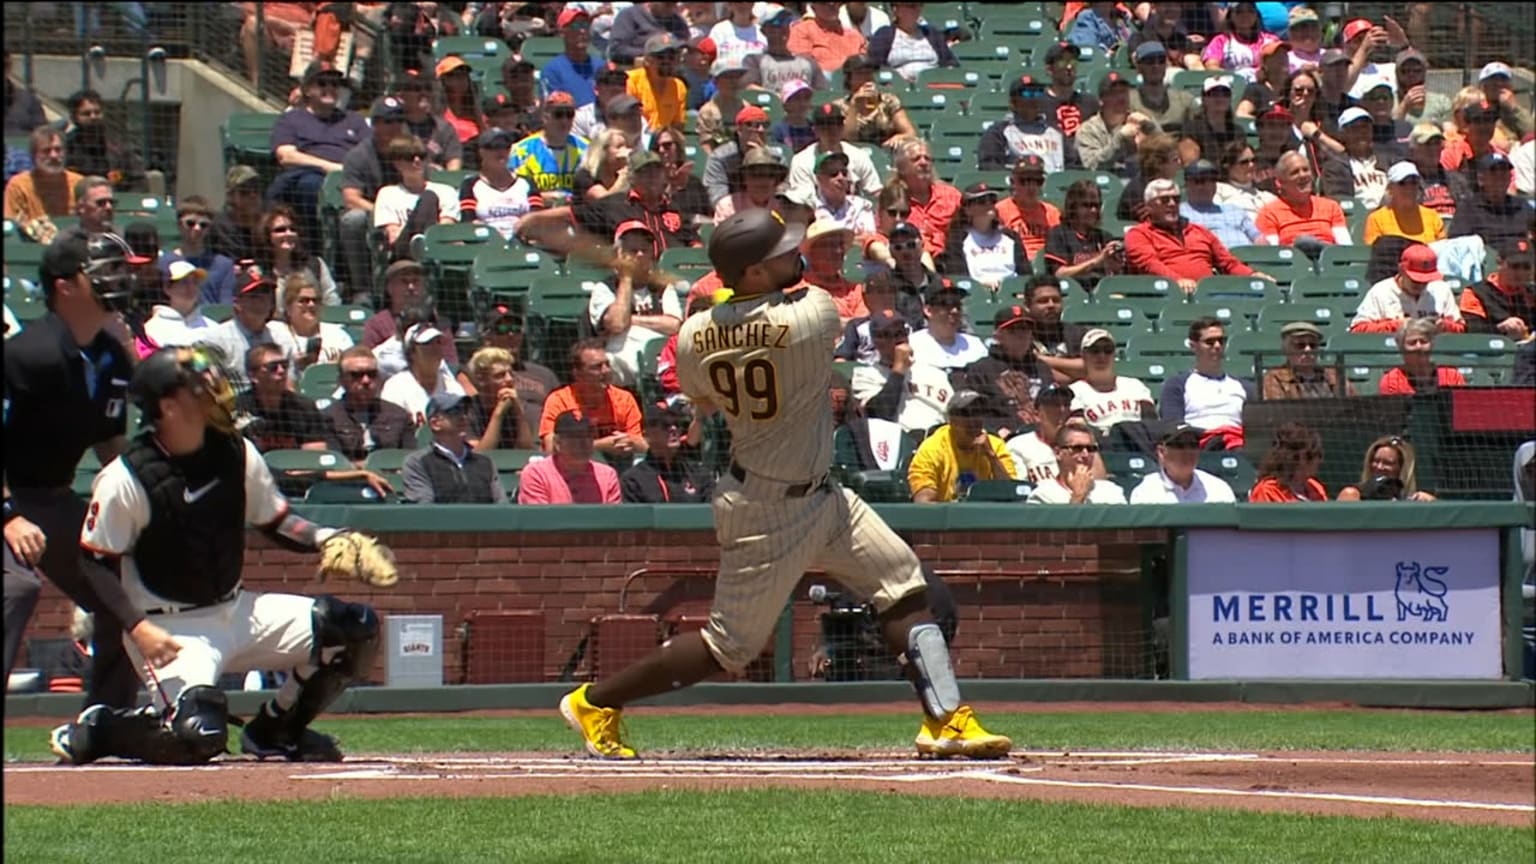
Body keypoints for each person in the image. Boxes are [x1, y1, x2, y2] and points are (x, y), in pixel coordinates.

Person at [559, 209, 1011, 759]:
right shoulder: (813, 314)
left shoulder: (695, 336)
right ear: (751, 272)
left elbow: (703, 395)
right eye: (779, 252)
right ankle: (596, 702)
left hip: (823, 495)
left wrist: (723, 315)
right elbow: (796, 310)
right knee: (727, 647)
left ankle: (946, 721)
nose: (793, 255)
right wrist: (741, 313)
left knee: (908, 588)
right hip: (767, 508)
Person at [47, 346, 391, 765]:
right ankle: (101, 729)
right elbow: (94, 563)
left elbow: (275, 520)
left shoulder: (236, 451)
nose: (215, 390)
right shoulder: (126, 477)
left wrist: (326, 538)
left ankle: (275, 732)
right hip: (169, 627)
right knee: (197, 737)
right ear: (169, 406)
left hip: (237, 609)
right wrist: (137, 628)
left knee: (354, 629)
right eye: (199, 385)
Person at [4, 231, 140, 712]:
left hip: (53, 499)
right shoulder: (25, 354)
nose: (119, 280)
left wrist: (146, 501)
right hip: (9, 498)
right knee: (16, 585)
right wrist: (9, 517)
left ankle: (110, 718)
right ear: (65, 286)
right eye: (103, 271)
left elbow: (110, 444)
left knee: (121, 585)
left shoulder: (111, 357)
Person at [1125, 178, 1261, 295]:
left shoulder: (1199, 231)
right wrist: (1177, 280)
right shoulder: (1139, 234)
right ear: (1149, 207)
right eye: (1164, 200)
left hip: (1210, 293)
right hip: (1166, 295)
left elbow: (1228, 262)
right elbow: (1150, 265)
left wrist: (1252, 275)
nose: (1172, 204)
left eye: (1176, 199)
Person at [850, 309, 954, 435]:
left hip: (937, 441)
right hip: (898, 444)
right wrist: (899, 368)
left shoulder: (934, 373)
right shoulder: (865, 376)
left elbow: (954, 415)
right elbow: (879, 415)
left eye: (900, 333)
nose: (896, 340)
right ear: (876, 341)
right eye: (887, 335)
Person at [907, 391, 1018, 503]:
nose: (974, 420)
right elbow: (924, 502)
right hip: (946, 518)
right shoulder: (932, 449)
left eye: (978, 412)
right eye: (966, 413)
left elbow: (1011, 496)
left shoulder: (995, 446)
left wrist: (992, 457)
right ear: (951, 419)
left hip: (987, 517)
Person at [400, 393, 507, 504]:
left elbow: (502, 507)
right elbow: (425, 509)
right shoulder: (418, 462)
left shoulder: (485, 463)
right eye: (454, 412)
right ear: (435, 423)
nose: (463, 417)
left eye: (465, 411)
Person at [321, 346, 418, 463]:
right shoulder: (328, 418)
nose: (366, 380)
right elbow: (334, 464)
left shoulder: (399, 416)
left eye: (371, 374)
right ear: (341, 380)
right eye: (356, 375)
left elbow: (410, 461)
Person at [1350, 243, 1465, 334]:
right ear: (1401, 270)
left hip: (1436, 357)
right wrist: (1396, 326)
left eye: (1426, 280)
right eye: (1415, 280)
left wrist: (1444, 326)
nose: (1420, 284)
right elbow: (1357, 330)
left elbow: (1461, 328)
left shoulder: (1441, 289)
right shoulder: (1381, 291)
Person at [1069, 329, 1155, 435]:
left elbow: (1151, 423)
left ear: (1114, 354)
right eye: (1095, 351)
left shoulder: (1135, 386)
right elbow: (1080, 430)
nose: (1102, 356)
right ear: (1084, 355)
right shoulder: (1075, 391)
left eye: (1108, 350)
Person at [620, 407, 713, 503]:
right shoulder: (633, 480)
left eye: (677, 424)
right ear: (646, 435)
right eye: (665, 425)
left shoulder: (699, 475)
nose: (673, 429)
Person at [1129, 423, 1236, 503]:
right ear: (1161, 452)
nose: (1188, 451)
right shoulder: (1145, 493)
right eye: (1179, 445)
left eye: (1193, 445)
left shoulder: (1218, 489)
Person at [1025, 422, 1127, 504]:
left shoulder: (1112, 491)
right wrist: (1078, 496)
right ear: (1058, 453)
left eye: (1091, 448)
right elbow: (1058, 530)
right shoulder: (1042, 495)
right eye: (1077, 448)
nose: (1085, 454)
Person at [1460, 238, 1534, 339]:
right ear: (1499, 262)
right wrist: (1500, 328)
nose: (1521, 273)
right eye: (1515, 266)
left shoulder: (1532, 293)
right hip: (1491, 351)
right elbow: (1472, 331)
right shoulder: (1475, 292)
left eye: (1526, 267)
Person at [1261, 321, 1353, 399]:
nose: (1308, 350)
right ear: (1286, 349)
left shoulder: (1334, 376)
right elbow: (1277, 414)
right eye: (1300, 345)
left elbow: (1354, 407)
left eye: (1313, 345)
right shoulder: (1275, 378)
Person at [1378, 318, 1467, 396]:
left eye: (1423, 341)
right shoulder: (1391, 381)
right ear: (1402, 348)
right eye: (1412, 343)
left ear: (1431, 345)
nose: (1418, 346)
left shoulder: (1452, 376)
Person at [1336, 436, 1436, 502]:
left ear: (1401, 468)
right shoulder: (1353, 495)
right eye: (1375, 461)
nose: (1379, 467)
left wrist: (1431, 502)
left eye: (1388, 463)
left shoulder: (1410, 500)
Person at [1248, 421, 1329, 502]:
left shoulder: (1316, 487)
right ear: (1301, 457)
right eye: (1316, 454)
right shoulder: (1268, 491)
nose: (1320, 461)